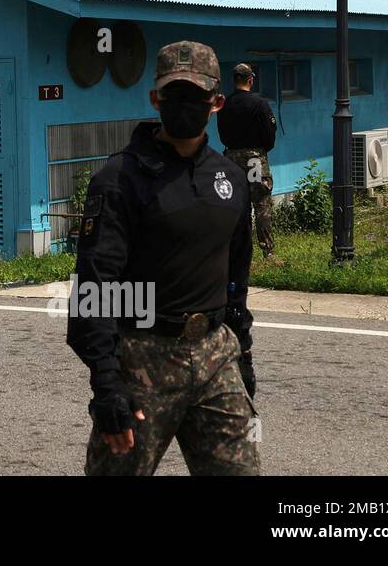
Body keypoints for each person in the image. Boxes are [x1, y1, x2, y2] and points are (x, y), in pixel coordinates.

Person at [67, 41, 259, 476]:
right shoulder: (120, 178)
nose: (184, 105)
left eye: (196, 96)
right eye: (174, 95)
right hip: (141, 357)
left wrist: (242, 354)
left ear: (216, 102)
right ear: (156, 99)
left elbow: (237, 276)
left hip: (215, 354)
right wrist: (107, 384)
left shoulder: (229, 177)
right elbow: (95, 286)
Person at [217, 63, 278, 261]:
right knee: (261, 203)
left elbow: (222, 134)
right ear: (251, 80)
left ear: (235, 80)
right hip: (254, 160)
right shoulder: (259, 103)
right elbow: (269, 134)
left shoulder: (225, 103)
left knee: (239, 205)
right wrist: (260, 150)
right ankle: (268, 251)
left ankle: (241, 252)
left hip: (232, 158)